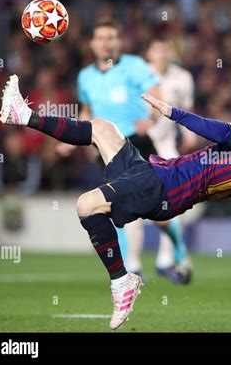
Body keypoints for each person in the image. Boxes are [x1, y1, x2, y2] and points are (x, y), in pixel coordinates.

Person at [0, 75, 231, 330]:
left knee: (87, 205)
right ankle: (23, 115)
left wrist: (173, 113)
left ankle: (121, 283)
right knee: (102, 128)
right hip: (159, 174)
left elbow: (222, 131)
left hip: (165, 188)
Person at [59, 20, 191, 283]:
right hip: (105, 149)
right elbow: (87, 110)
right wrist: (73, 138)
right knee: (113, 208)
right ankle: (130, 267)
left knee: (159, 210)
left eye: (112, 37)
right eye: (101, 37)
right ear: (92, 44)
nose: (106, 42)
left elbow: (156, 95)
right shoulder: (85, 76)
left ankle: (178, 249)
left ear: (119, 42)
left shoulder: (134, 66)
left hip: (137, 144)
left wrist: (151, 119)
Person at [145, 35, 198, 279]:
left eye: (166, 49)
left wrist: (189, 133)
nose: (163, 54)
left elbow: (186, 110)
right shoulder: (138, 74)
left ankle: (165, 259)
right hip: (137, 146)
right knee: (130, 202)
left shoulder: (183, 78)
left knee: (179, 200)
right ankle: (131, 264)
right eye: (158, 49)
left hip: (166, 146)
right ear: (149, 53)